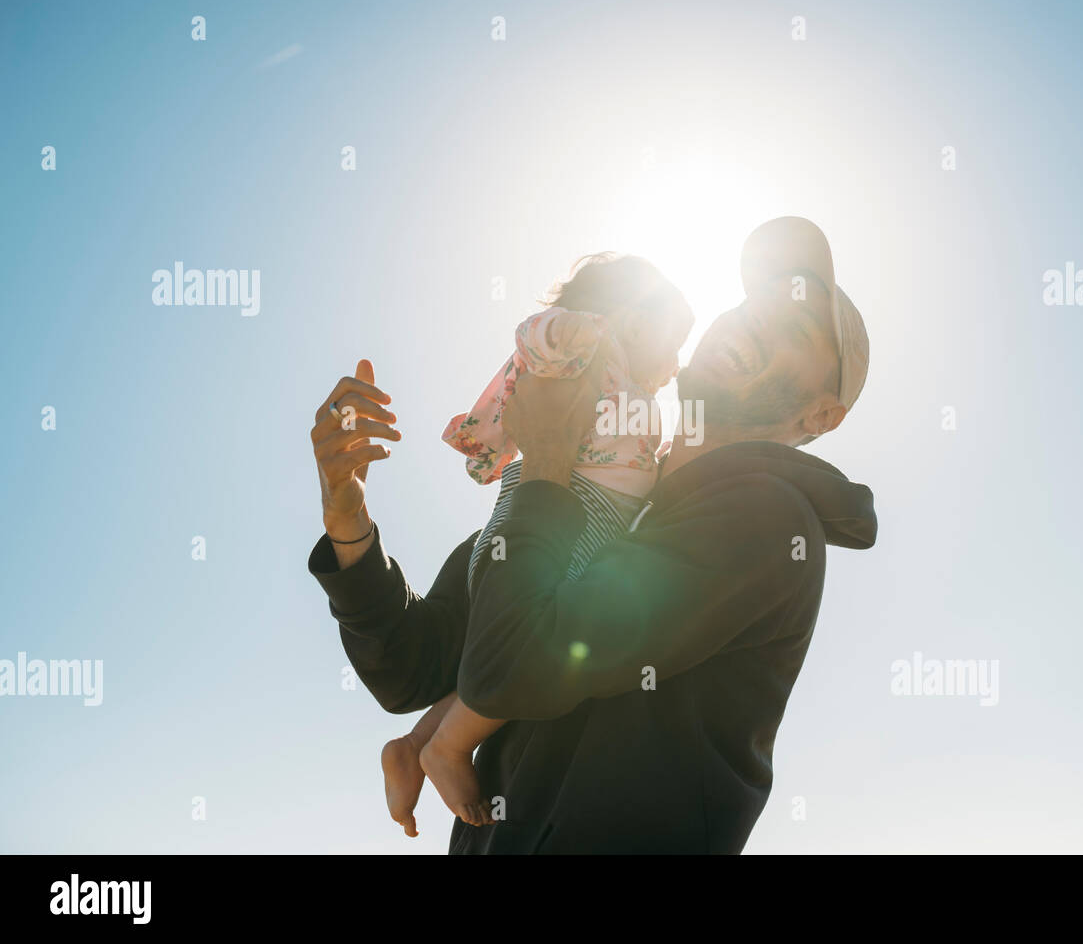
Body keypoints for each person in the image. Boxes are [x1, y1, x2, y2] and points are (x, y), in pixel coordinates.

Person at [308, 216, 877, 853]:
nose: (755, 321)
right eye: (753, 304)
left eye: (795, 327)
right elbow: (413, 670)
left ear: (822, 415)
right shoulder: (592, 491)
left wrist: (547, 462)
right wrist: (347, 518)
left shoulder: (767, 520)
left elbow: (509, 665)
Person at [383, 253, 693, 833]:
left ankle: (415, 744)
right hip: (566, 517)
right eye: (672, 343)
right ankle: (450, 748)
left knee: (498, 654)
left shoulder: (625, 389)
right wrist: (574, 328)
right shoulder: (593, 351)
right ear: (631, 319)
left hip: (560, 522)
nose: (676, 366)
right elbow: (534, 341)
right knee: (533, 640)